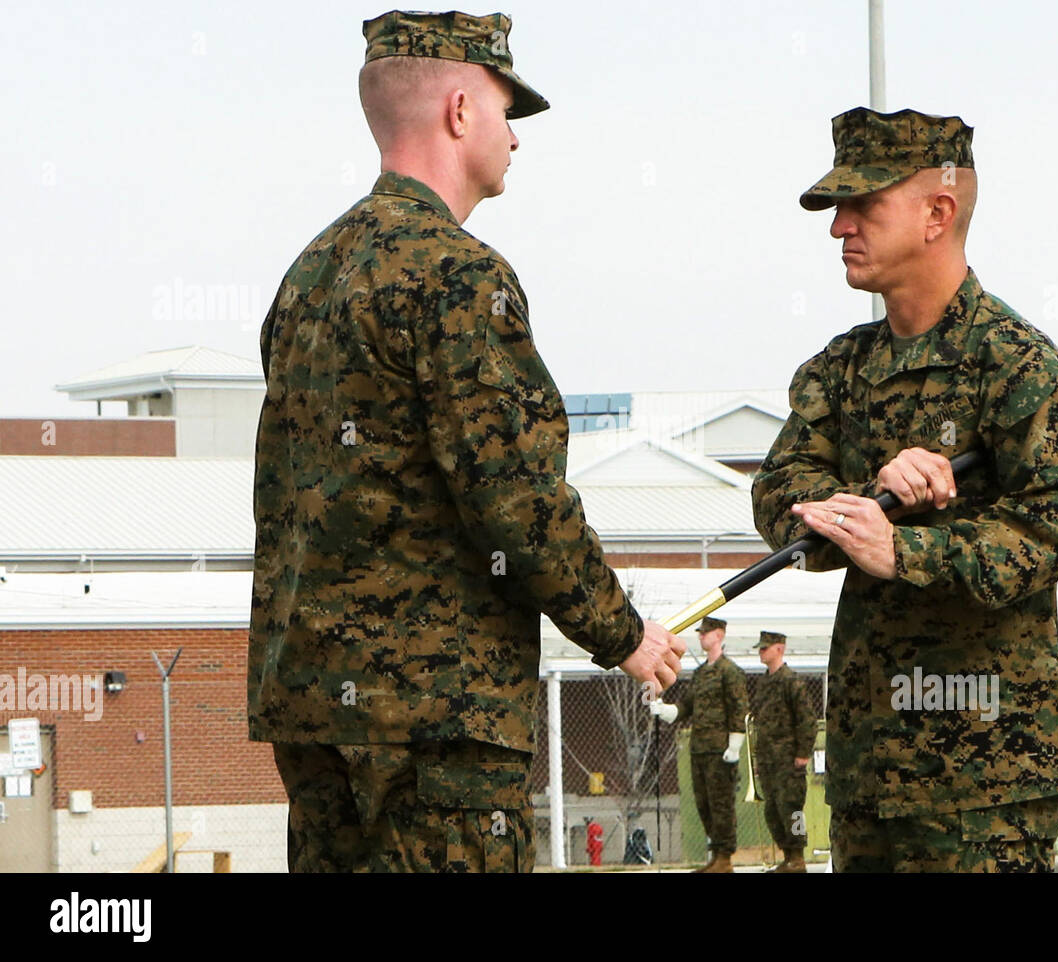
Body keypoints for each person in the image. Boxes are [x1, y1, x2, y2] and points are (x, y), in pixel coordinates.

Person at [247, 10, 684, 873]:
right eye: (505, 109)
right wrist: (621, 632)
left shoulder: (310, 274)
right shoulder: (459, 275)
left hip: (317, 714)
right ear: (457, 111)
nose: (516, 137)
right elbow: (515, 496)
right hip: (436, 726)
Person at [751, 106, 1058, 873]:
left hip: (987, 770)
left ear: (937, 213)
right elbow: (782, 493)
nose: (839, 226)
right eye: (836, 208)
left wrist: (907, 550)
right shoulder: (839, 371)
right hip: (868, 762)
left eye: (864, 204)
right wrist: (858, 496)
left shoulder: (1018, 365)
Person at [650, 616, 748, 872]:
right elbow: (686, 706)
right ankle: (716, 856)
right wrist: (666, 710)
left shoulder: (730, 671)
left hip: (720, 750)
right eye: (701, 633)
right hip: (700, 748)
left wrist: (735, 744)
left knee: (722, 804)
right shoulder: (701, 673)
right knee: (704, 803)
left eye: (706, 633)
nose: (701, 637)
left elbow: (739, 709)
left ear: (719, 635)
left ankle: (725, 858)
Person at [750, 630, 818, 873]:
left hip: (789, 760)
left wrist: (802, 753)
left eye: (765, 648)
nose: (761, 652)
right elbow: (760, 723)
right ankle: (788, 856)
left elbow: (807, 720)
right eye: (760, 648)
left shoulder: (791, 681)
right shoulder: (764, 683)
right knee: (773, 811)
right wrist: (759, 759)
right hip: (770, 761)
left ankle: (798, 857)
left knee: (793, 810)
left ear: (779, 648)